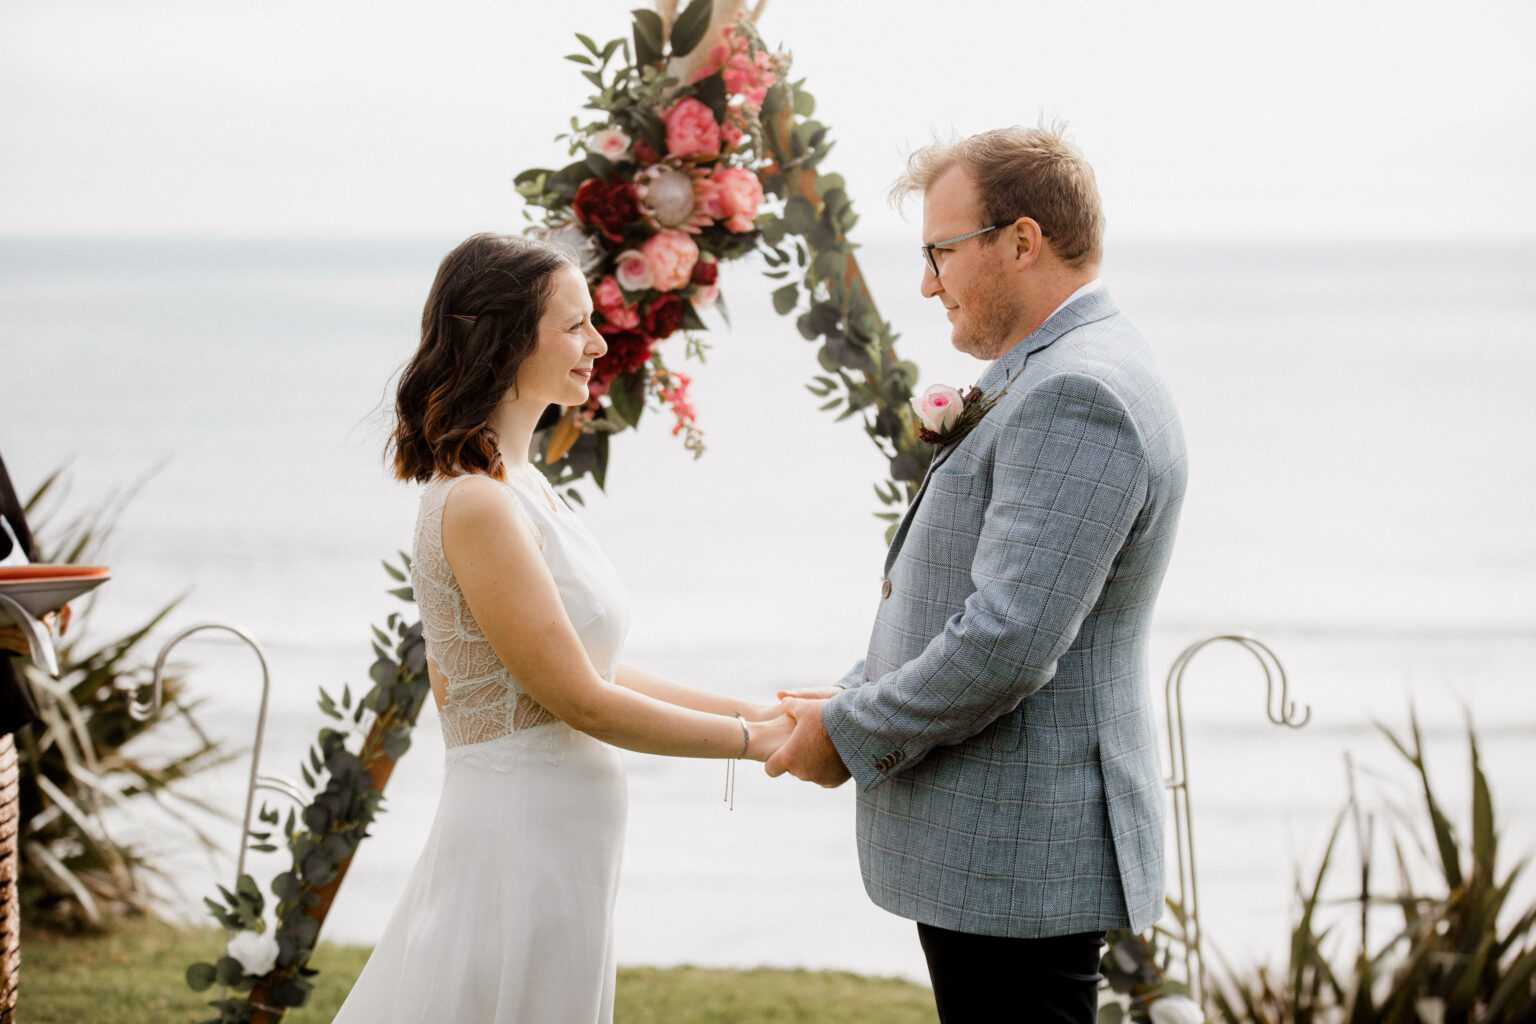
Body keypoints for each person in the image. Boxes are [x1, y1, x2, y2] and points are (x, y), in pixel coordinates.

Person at [767, 125, 1188, 1024]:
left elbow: (1007, 640)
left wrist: (848, 733)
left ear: (1023, 241)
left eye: (940, 253)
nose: (927, 283)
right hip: (1008, 855)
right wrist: (851, 691)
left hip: (1020, 856)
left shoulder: (1079, 394)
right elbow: (967, 597)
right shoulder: (1062, 367)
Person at [332, 233, 793, 1024]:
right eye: (576, 325)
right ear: (508, 340)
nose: (600, 342)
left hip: (562, 842)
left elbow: (599, 668)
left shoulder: (524, 487)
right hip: (519, 842)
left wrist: (756, 710)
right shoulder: (477, 504)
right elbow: (580, 701)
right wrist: (762, 748)